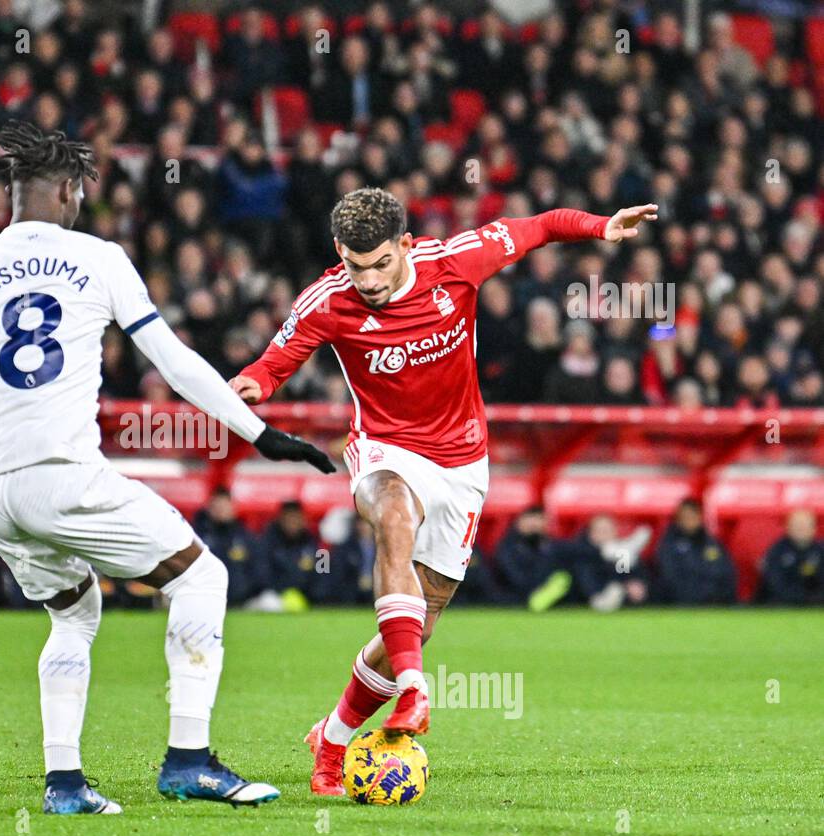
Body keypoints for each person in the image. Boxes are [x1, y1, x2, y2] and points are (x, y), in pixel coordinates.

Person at [0, 121, 334, 815]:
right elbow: (173, 363)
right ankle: (187, 761)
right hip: (63, 475)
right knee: (203, 575)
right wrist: (259, 432)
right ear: (67, 189)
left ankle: (64, 785)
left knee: (76, 610)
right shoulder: (101, 257)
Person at [230, 187, 658, 795]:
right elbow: (273, 361)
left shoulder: (457, 261)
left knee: (418, 624)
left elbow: (536, 225)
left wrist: (600, 225)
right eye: (356, 266)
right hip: (384, 448)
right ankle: (414, 689)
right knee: (394, 517)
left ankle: (330, 738)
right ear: (338, 254)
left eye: (381, 263)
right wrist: (251, 385)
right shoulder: (328, 300)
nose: (370, 280)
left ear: (405, 245)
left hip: (462, 462)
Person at [654, 499, 737, 605]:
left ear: (700, 518)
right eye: (685, 517)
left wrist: (714, 595)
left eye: (692, 516)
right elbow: (669, 576)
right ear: (678, 519)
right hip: (677, 604)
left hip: (712, 604)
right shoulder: (669, 545)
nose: (689, 521)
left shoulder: (711, 544)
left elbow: (725, 572)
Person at [758, 509, 823, 604]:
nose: (801, 530)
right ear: (788, 528)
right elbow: (773, 581)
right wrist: (797, 598)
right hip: (780, 603)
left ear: (814, 528)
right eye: (797, 526)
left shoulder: (820, 550)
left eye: (805, 526)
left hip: (816, 604)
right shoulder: (777, 550)